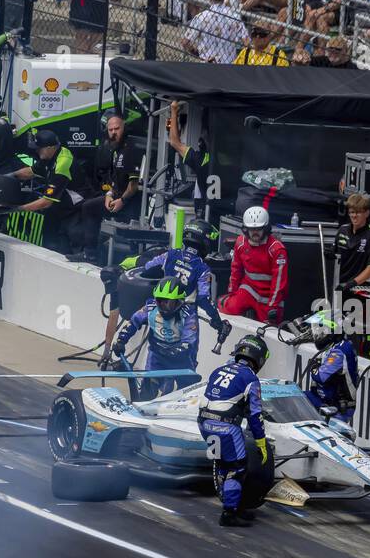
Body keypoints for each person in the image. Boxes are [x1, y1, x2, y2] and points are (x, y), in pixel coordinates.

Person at [126, 217, 229, 361]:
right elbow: (203, 298)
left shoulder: (170, 254)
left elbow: (148, 268)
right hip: (185, 318)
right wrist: (217, 320)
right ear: (205, 242)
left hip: (161, 309)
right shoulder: (202, 268)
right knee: (186, 367)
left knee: (156, 357)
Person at [198, 333, 270, 528]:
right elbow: (255, 415)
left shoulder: (219, 370)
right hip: (225, 426)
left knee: (222, 464)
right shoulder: (251, 379)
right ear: (259, 358)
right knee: (236, 467)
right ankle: (229, 514)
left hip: (204, 423)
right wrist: (261, 442)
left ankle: (234, 505)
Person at [69, 113, 140, 264]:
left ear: (124, 128)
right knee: (88, 206)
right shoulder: (116, 150)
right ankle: (90, 254)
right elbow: (114, 179)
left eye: (117, 129)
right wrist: (109, 194)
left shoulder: (131, 150)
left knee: (89, 207)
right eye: (111, 130)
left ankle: (92, 255)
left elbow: (133, 185)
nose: (114, 132)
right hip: (116, 198)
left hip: (130, 203)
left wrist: (122, 200)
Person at [111, 278, 200, 400]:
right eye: (160, 301)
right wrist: (121, 340)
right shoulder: (150, 308)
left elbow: (190, 341)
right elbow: (133, 322)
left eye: (168, 303)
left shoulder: (189, 314)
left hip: (182, 361)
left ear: (179, 301)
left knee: (188, 395)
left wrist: (175, 351)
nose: (163, 306)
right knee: (145, 395)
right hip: (157, 358)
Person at [220, 205, 288, 323]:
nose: (255, 232)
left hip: (269, 297)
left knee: (269, 327)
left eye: (258, 229)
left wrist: (273, 307)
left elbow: (279, 283)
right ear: (246, 229)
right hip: (248, 289)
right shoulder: (240, 243)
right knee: (228, 308)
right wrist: (232, 293)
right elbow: (235, 270)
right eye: (252, 229)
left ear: (265, 228)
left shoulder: (277, 249)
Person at [19, 128, 79, 251]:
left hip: (74, 207)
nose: (36, 150)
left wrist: (18, 209)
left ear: (50, 148)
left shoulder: (62, 163)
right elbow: (29, 172)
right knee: (48, 233)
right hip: (58, 204)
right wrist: (8, 176)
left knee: (60, 246)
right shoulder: (48, 157)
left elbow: (46, 202)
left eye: (39, 148)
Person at [330, 192, 370, 329]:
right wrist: (330, 254)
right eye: (351, 212)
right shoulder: (342, 230)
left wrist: (352, 283)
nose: (354, 216)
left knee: (359, 331)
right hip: (341, 289)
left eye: (358, 212)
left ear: (367, 213)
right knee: (337, 329)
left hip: (363, 292)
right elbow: (335, 255)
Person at [302, 312, 359, 422]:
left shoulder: (339, 351)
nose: (318, 335)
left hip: (337, 409)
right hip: (325, 402)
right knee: (295, 396)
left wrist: (314, 368)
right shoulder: (335, 346)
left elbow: (320, 376)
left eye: (322, 331)